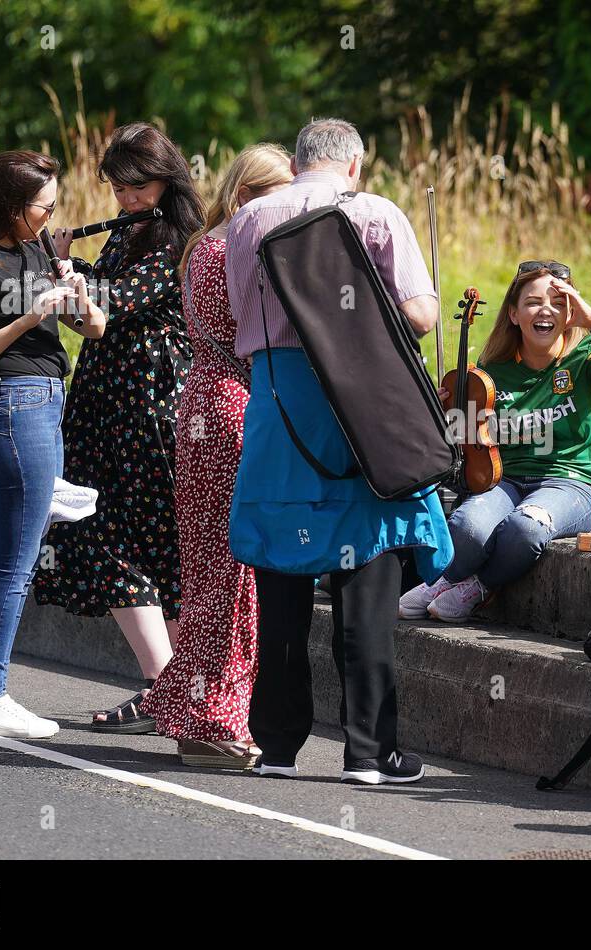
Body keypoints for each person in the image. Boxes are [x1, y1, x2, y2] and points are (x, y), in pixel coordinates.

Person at [226, 117, 449, 785]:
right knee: (367, 591)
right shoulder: (374, 213)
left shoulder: (248, 220)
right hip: (361, 413)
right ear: (355, 165)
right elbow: (418, 315)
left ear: (296, 163)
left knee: (281, 592)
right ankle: (368, 754)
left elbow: (245, 315)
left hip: (277, 412)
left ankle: (279, 748)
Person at [33, 123, 205, 732]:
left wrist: (71, 276)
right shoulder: (132, 232)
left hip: (151, 409)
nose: (127, 200)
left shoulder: (181, 238)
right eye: (119, 188)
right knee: (115, 538)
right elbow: (94, 315)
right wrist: (66, 268)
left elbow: (112, 308)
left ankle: (169, 690)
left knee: (143, 544)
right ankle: (173, 689)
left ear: (167, 177)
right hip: (110, 406)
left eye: (139, 186)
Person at [0, 150, 107, 738]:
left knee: (13, 556)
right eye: (43, 208)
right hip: (9, 406)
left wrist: (79, 296)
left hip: (42, 403)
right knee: (13, 563)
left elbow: (94, 328)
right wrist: (21, 319)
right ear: (11, 206)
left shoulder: (37, 252)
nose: (51, 217)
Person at [140, 144, 293, 769]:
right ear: (249, 195)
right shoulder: (239, 249)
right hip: (232, 409)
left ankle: (194, 713)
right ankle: (212, 720)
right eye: (279, 197)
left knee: (212, 570)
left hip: (205, 402)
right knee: (234, 572)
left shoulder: (204, 246)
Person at [399, 261, 591, 622]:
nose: (545, 310)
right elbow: (463, 433)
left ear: (570, 312)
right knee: (466, 526)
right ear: (513, 313)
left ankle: (478, 587)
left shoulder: (581, 358)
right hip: (506, 479)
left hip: (570, 483)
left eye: (558, 303)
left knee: (524, 528)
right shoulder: (492, 369)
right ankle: (442, 581)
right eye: (533, 302)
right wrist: (443, 406)